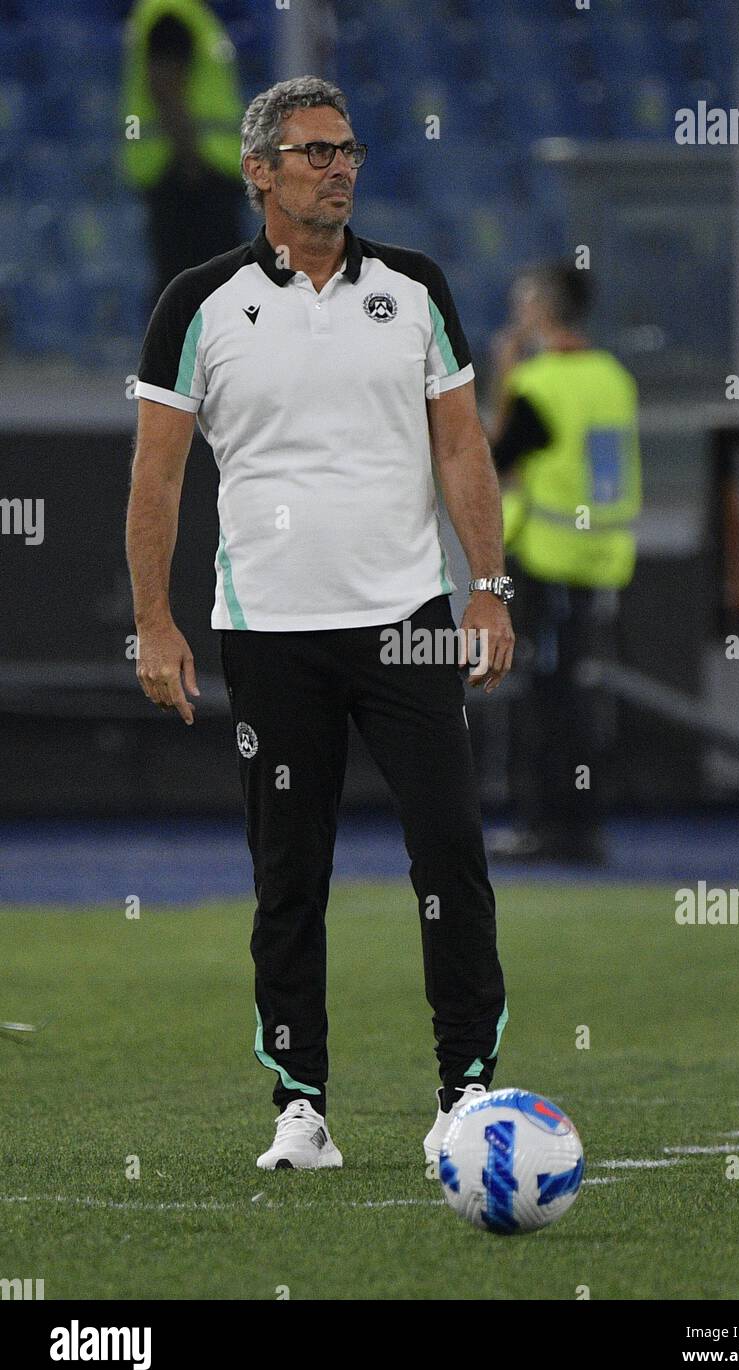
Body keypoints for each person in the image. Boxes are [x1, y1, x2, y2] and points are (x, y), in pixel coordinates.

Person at [125, 77, 514, 1172]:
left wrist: (491, 586)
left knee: (451, 851)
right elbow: (156, 481)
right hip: (272, 636)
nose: (337, 167)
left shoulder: (416, 287)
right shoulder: (196, 306)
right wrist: (155, 621)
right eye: (312, 152)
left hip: (409, 623)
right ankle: (301, 1103)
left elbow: (459, 447)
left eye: (346, 149)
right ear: (260, 170)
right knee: (288, 873)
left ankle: (466, 1091)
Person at [488, 264, 642, 865]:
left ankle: (552, 828)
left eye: (524, 301)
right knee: (576, 695)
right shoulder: (612, 377)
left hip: (551, 557)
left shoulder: (542, 384)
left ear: (543, 311)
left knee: (546, 701)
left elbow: (496, 459)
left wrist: (506, 375)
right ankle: (580, 826)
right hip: (602, 554)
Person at [120, 0, 246, 302]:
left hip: (190, 171)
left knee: (192, 289)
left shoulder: (178, 13)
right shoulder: (172, 13)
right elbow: (164, 85)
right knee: (200, 290)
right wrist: (192, 161)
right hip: (191, 176)